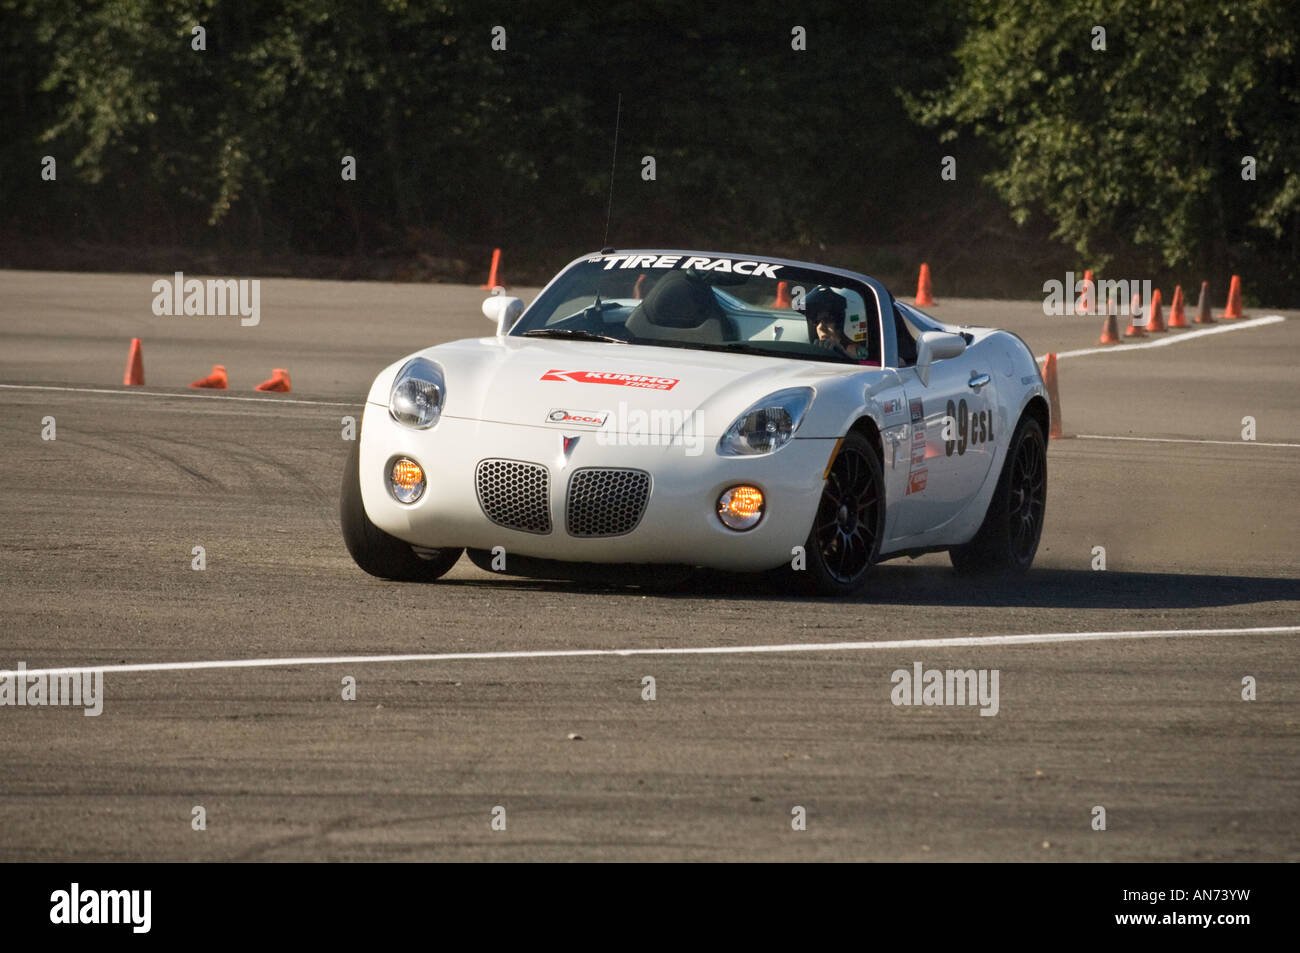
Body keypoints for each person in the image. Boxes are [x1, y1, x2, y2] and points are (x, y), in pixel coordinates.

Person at [804, 285, 873, 362]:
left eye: (828, 319)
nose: (820, 328)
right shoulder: (812, 355)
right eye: (816, 321)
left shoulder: (873, 355)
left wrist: (845, 353)